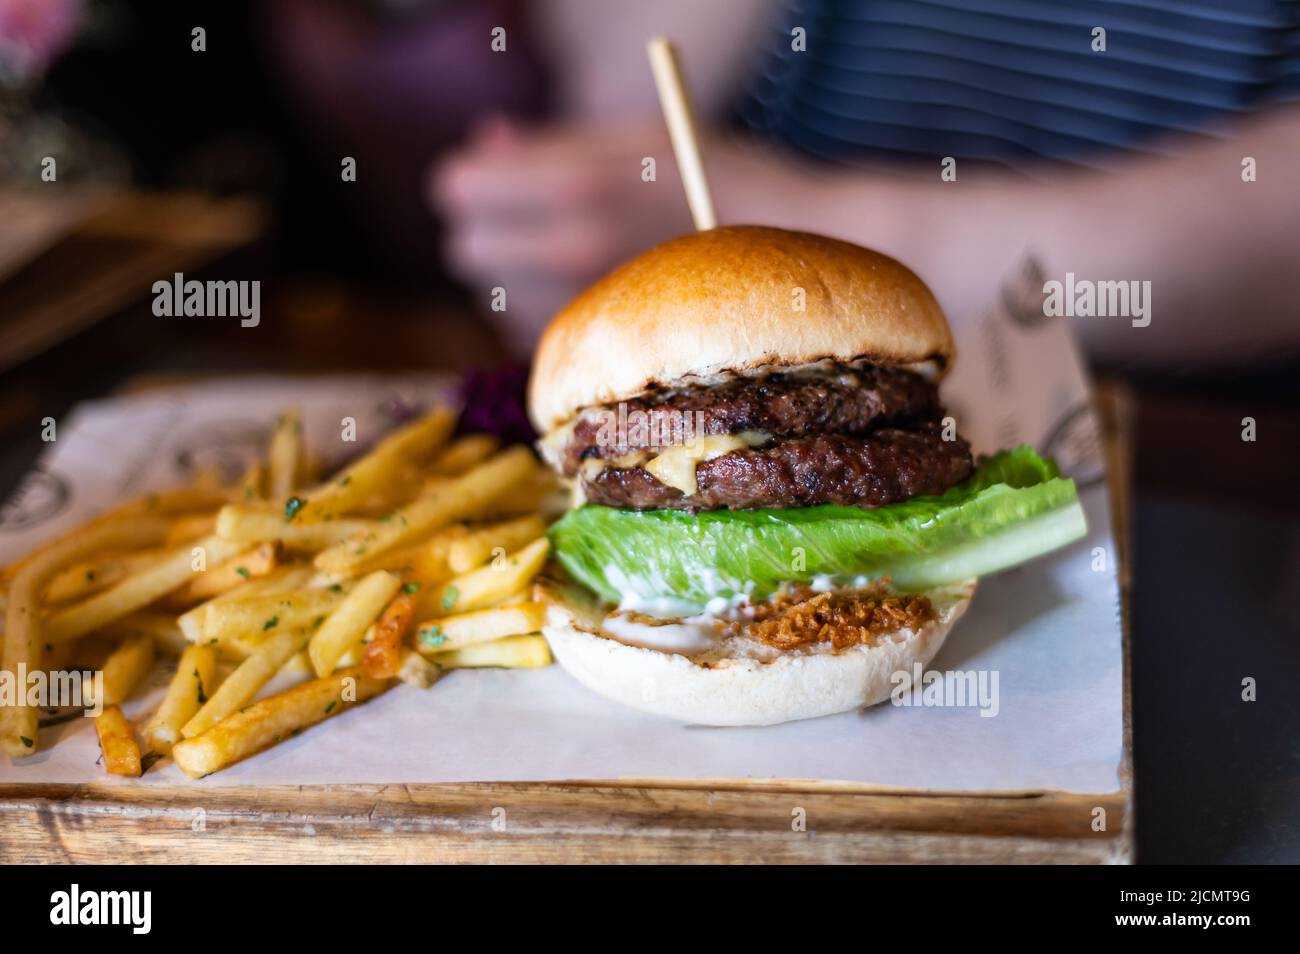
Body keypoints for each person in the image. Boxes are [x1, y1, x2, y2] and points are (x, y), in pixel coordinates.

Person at [429, 0, 1300, 370]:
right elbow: (615, 92)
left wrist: (799, 242)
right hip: (712, 382)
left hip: (1208, 468)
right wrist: (580, 212)